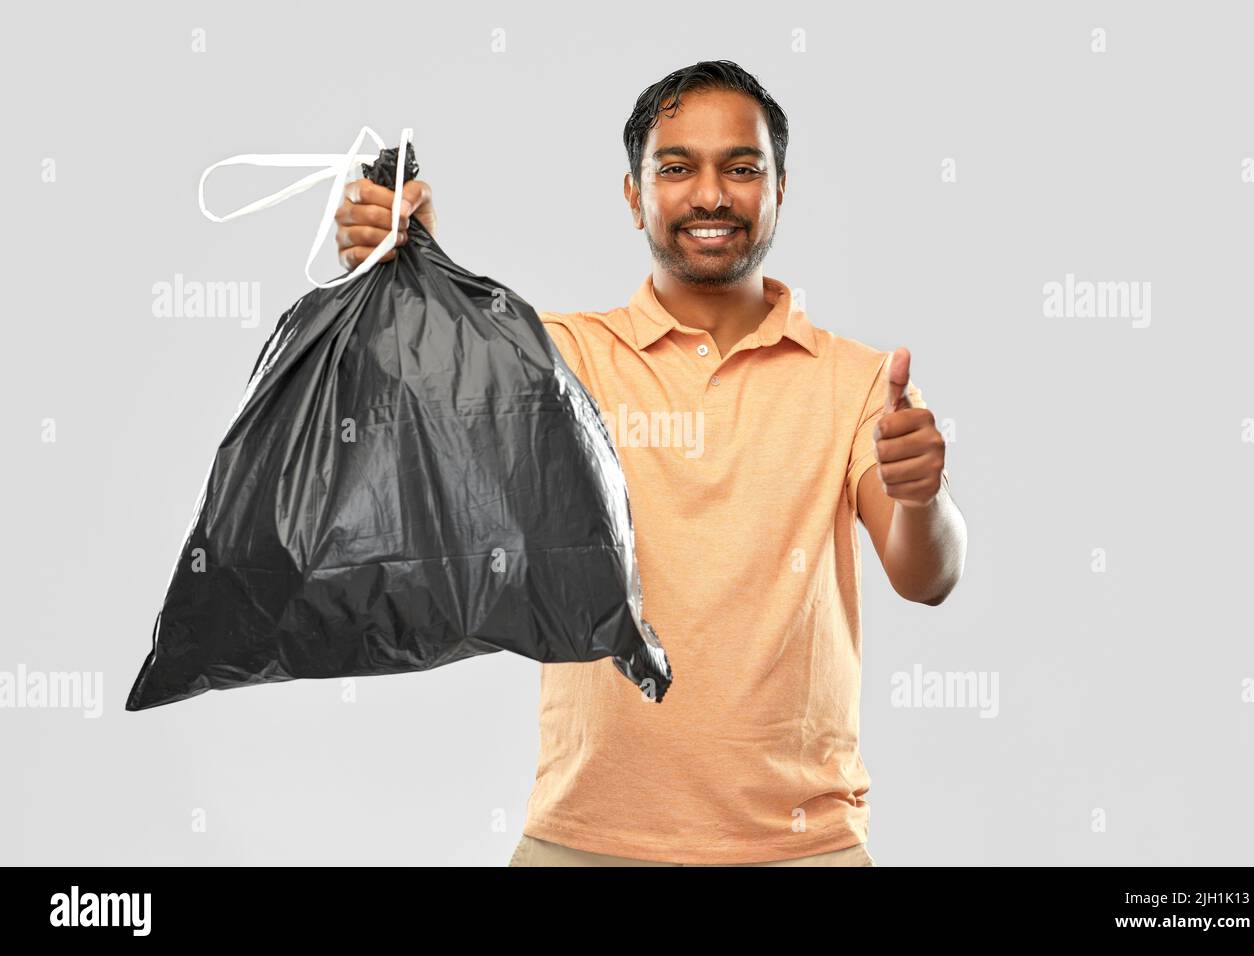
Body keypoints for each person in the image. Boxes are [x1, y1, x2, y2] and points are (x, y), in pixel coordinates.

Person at [333, 60, 967, 867]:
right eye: (677, 168)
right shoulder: (563, 355)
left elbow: (926, 577)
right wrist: (401, 269)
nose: (711, 195)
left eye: (742, 168)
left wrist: (921, 496)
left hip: (802, 847)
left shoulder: (859, 381)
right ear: (634, 196)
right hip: (582, 839)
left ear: (780, 190)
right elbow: (426, 409)